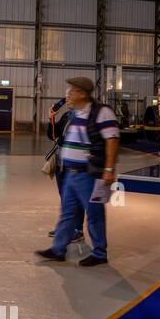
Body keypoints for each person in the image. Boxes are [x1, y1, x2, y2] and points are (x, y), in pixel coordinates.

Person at [36, 77, 120, 267]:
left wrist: (108, 169)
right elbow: (59, 136)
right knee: (67, 213)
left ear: (82, 93)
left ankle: (99, 253)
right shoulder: (74, 114)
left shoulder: (102, 112)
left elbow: (112, 140)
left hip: (90, 175)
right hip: (71, 174)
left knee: (94, 213)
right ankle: (58, 249)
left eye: (72, 91)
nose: (68, 95)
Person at [44, 97, 85, 244]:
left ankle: (78, 230)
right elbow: (53, 136)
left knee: (77, 197)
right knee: (65, 197)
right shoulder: (67, 115)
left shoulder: (84, 116)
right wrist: (51, 120)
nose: (66, 100)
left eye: (70, 96)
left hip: (75, 164)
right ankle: (66, 227)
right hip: (61, 163)